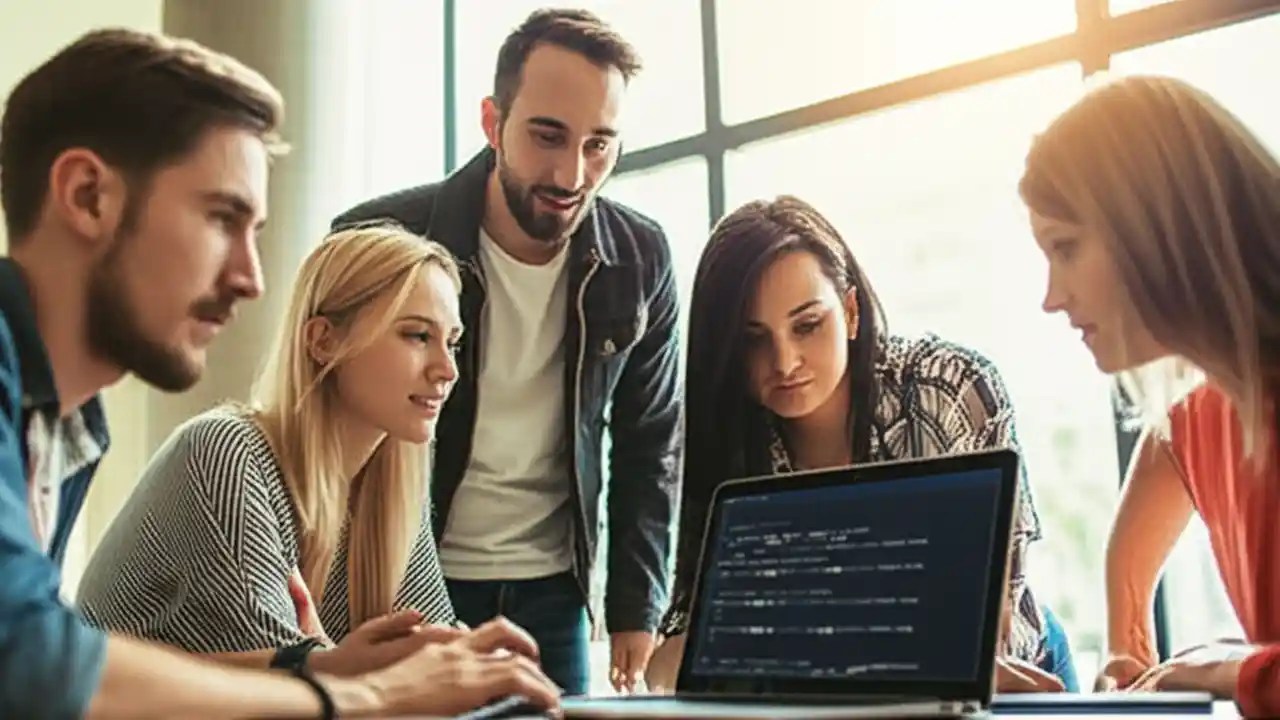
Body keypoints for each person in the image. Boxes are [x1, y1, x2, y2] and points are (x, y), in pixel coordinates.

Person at [0, 27, 558, 718]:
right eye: (220, 218)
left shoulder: (66, 425)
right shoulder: (216, 449)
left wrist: (316, 666)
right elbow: (26, 661)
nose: (251, 279)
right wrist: (355, 690)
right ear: (87, 196)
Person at [332, 8, 682, 695]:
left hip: (553, 593)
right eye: (547, 135)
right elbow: (327, 429)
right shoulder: (380, 236)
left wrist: (637, 607)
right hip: (407, 572)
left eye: (599, 145)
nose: (571, 172)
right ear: (493, 123)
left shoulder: (642, 259)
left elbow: (652, 443)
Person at [644, 195, 1072, 694]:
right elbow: (672, 662)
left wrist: (788, 646)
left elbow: (981, 625)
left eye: (807, 325)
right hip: (855, 696)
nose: (784, 363)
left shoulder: (946, 389)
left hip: (1017, 677)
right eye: (753, 339)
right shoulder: (730, 442)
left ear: (849, 312)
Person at [77, 224, 463, 677]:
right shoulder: (225, 453)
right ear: (322, 341)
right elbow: (291, 693)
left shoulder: (392, 479)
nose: (447, 369)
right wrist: (334, 664)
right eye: (417, 335)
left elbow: (433, 669)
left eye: (452, 342)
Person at [1019, 74, 1280, 717]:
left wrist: (1229, 669)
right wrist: (1127, 658)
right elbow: (1128, 555)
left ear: (1151, 222)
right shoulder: (1205, 407)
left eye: (1067, 248)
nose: (1052, 296)